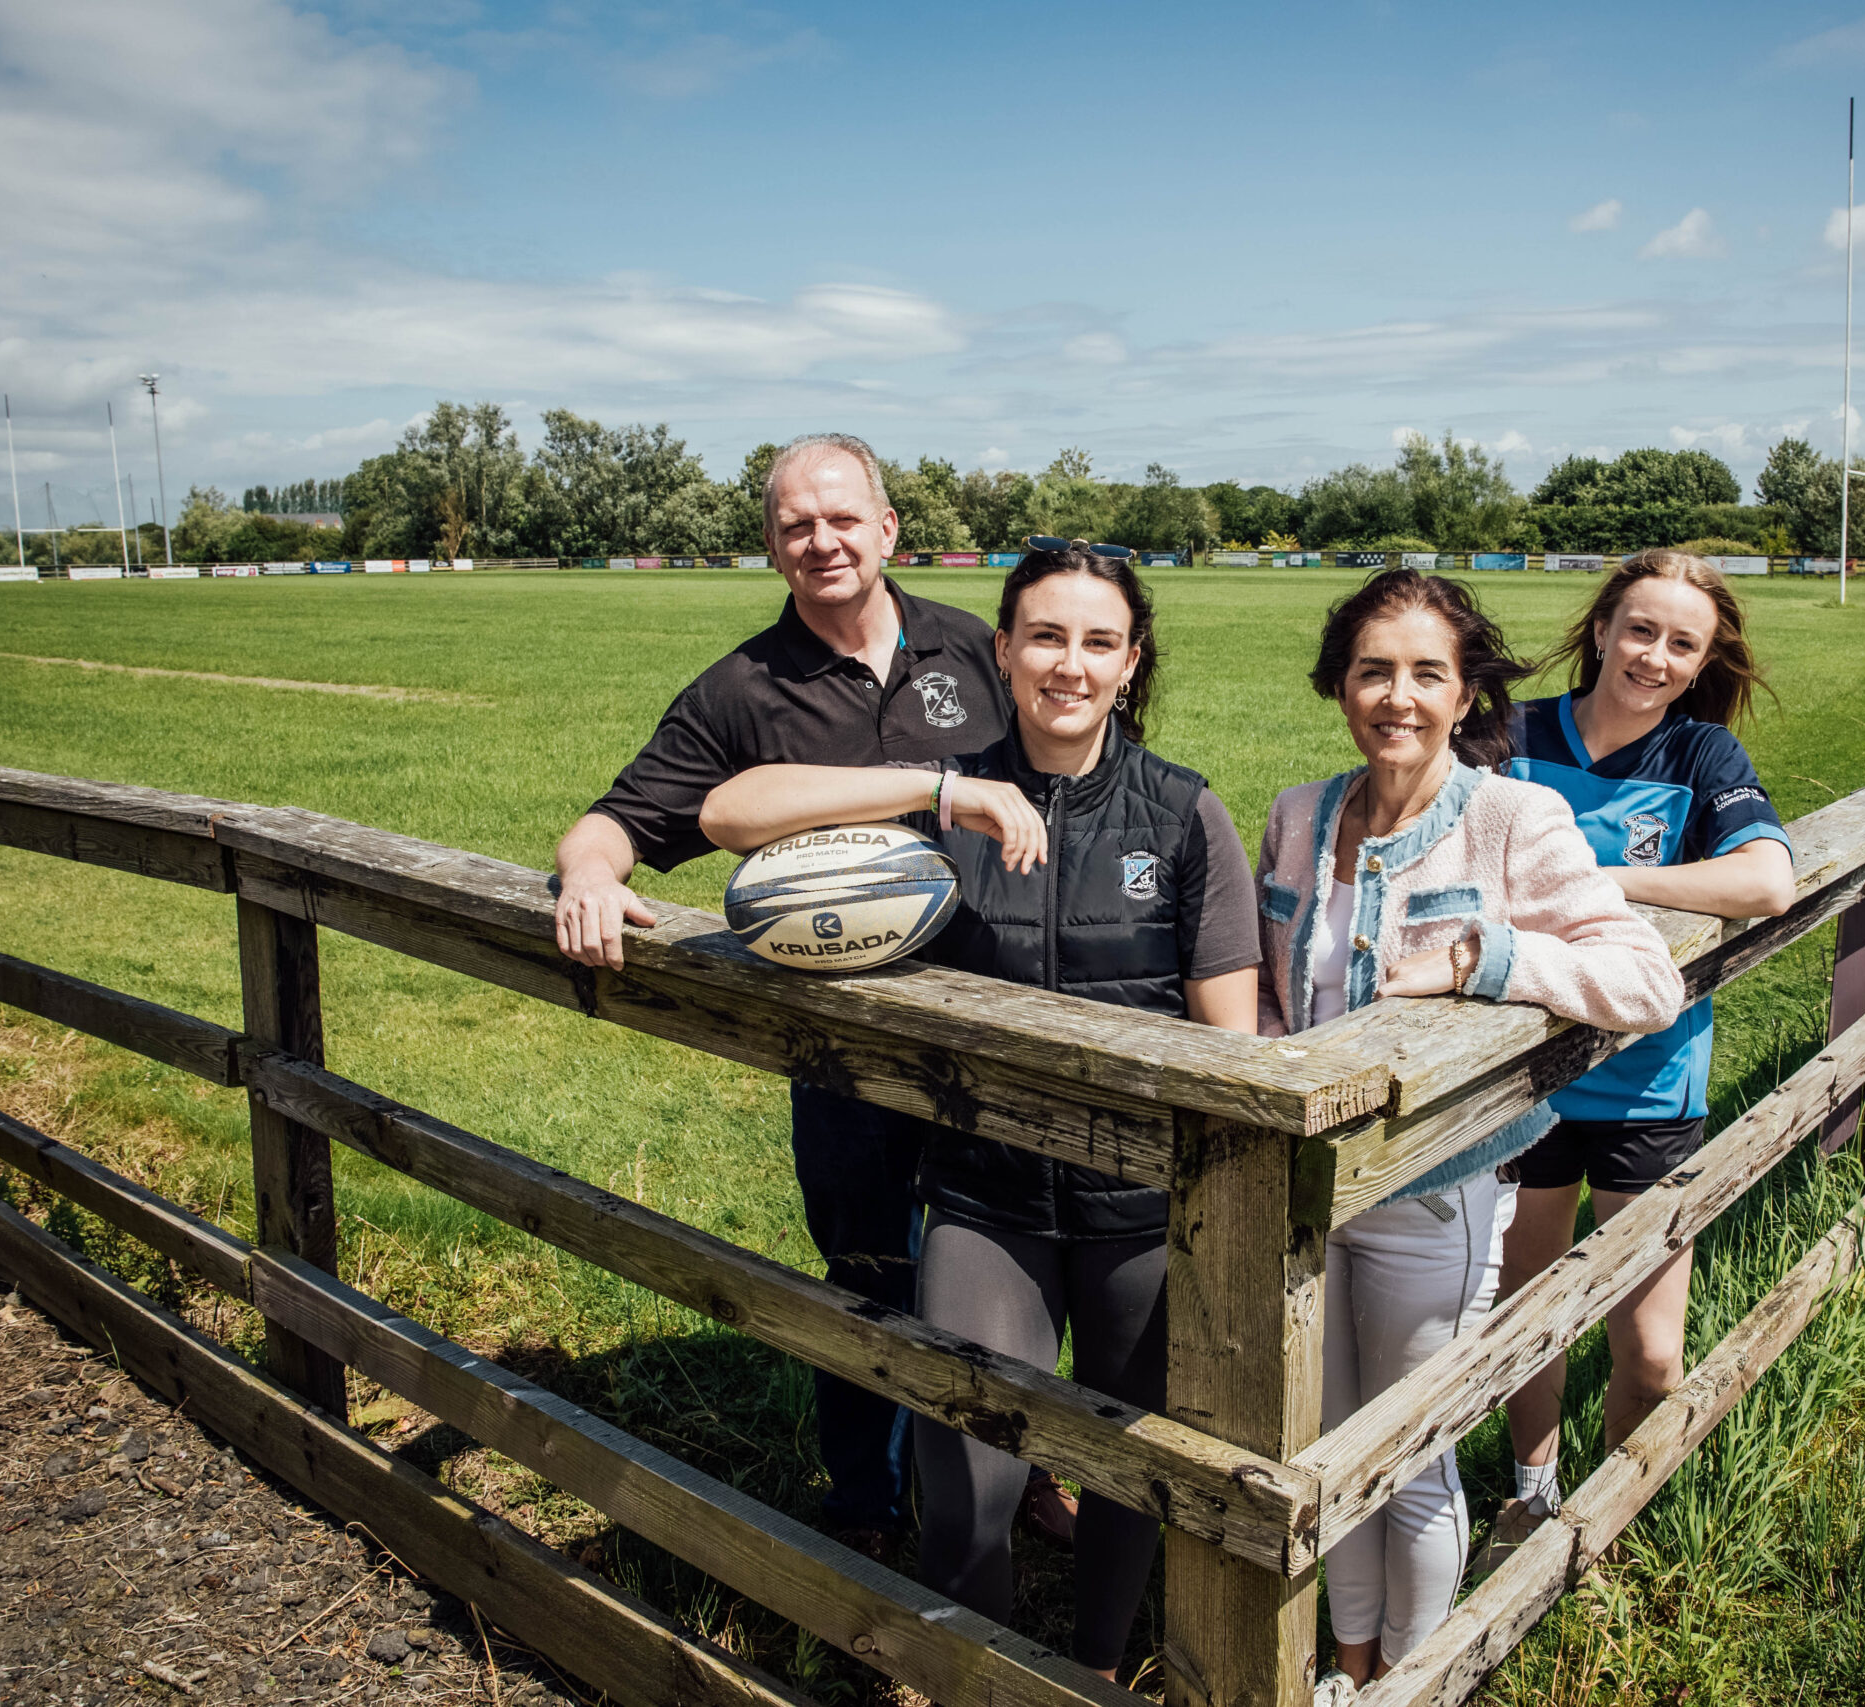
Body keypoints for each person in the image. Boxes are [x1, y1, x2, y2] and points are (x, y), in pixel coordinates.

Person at [703, 541, 1260, 1681]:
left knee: (1126, 1473)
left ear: (1129, 663)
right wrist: (936, 786)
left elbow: (1232, 1046)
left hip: (1136, 1214)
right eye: (1044, 637)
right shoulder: (940, 801)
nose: (1069, 664)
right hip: (980, 1200)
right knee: (965, 1495)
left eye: (1097, 642)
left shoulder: (1183, 814)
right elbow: (730, 813)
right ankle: (988, 1684)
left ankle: (1097, 1669)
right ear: (1002, 652)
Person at [549, 432, 1028, 1564]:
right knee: (867, 1271)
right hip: (846, 1053)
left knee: (1006, 1255)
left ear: (887, 529)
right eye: (796, 525)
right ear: (771, 543)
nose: (822, 541)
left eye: (842, 519)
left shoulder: (975, 651)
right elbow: (622, 819)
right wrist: (582, 873)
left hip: (1006, 1026)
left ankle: (1024, 1473)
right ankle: (864, 1504)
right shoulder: (741, 691)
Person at [1250, 568, 1683, 1691]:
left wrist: (1484, 961)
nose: (1396, 695)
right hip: (1305, 1195)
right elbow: (1267, 988)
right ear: (1338, 683)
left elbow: (1644, 979)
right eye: (1372, 670)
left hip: (1432, 1195)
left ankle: (1409, 1674)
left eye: (1425, 673)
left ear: (1463, 692)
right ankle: (1347, 1664)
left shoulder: (1508, 817)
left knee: (1408, 1458)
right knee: (1325, 1448)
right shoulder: (1301, 813)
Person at [1479, 549, 1795, 1571]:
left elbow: (1766, 882)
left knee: (1652, 1355)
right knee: (1531, 1313)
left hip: (1651, 1084)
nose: (1653, 656)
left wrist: (1602, 882)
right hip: (1519, 1084)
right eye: (1640, 630)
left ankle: (1610, 1513)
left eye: (1680, 643)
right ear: (1603, 627)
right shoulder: (1511, 734)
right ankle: (1529, 1496)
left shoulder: (1699, 756)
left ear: (1702, 661)